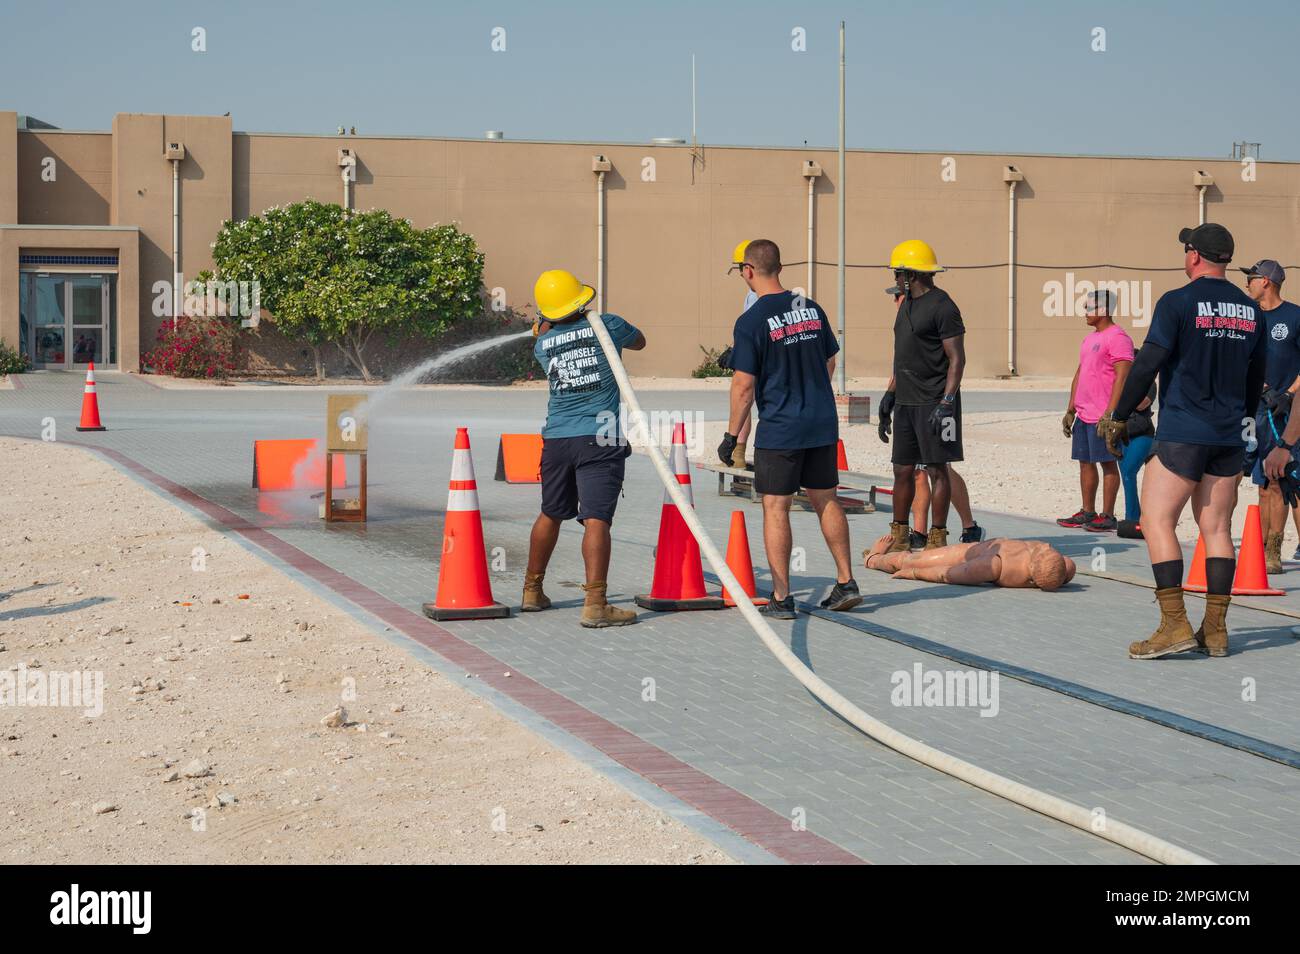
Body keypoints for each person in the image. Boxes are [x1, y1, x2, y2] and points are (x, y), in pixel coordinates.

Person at [1098, 223, 1265, 659]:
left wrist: (1118, 414)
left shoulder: (1177, 302)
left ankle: (1174, 624)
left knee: (1156, 521)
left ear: (1193, 255)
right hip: (1228, 434)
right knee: (1216, 529)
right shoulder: (1252, 311)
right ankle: (1216, 631)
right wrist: (1241, 420)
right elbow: (1255, 378)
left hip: (1183, 432)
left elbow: (1148, 361)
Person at [717, 239, 862, 618]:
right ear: (778, 267)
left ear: (749, 271)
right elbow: (831, 359)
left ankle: (782, 597)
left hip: (781, 428)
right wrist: (811, 389)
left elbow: (743, 386)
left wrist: (731, 437)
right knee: (825, 498)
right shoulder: (811, 309)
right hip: (821, 421)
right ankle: (846, 581)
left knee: (775, 506)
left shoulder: (750, 322)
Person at [522, 269, 647, 628]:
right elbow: (640, 341)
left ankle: (532, 591)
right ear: (580, 299)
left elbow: (552, 338)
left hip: (558, 438)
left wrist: (545, 326)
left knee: (550, 512)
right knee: (596, 518)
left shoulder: (542, 344)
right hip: (600, 436)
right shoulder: (608, 324)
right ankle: (595, 604)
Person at [875, 239, 967, 553]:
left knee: (937, 469)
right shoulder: (907, 305)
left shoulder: (943, 306)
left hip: (935, 403)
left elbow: (957, 359)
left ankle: (937, 536)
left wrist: (947, 402)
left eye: (898, 273)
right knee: (902, 469)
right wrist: (889, 397)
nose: (894, 278)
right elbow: (903, 356)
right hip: (906, 402)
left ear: (911, 274)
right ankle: (899, 536)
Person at [1239, 260, 1300, 573]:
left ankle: (1274, 551)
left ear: (1266, 282)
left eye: (1251, 278)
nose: (1247, 284)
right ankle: (1259, 549)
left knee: (1281, 480)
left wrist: (1288, 393)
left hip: (1285, 412)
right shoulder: (1247, 317)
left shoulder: (1294, 316)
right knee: (1260, 481)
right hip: (1252, 411)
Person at [1059, 289, 1134, 533]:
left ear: (1103, 310)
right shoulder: (1089, 339)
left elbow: (1123, 377)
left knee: (1108, 463)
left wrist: (1111, 413)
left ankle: (1108, 515)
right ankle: (1087, 511)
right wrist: (1071, 409)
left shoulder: (1118, 337)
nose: (1085, 312)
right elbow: (1080, 373)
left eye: (1089, 308)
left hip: (1103, 415)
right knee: (1085, 462)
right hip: (1084, 414)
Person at [863, 534, 1075, 590]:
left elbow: (948, 574)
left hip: (973, 557)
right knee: (914, 559)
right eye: (1043, 549)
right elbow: (1066, 566)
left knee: (908, 560)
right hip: (979, 549)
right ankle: (891, 559)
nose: (1043, 547)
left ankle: (873, 559)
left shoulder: (996, 566)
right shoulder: (1052, 557)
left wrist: (915, 573)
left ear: (1030, 581)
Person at [718, 239, 759, 467]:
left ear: (747, 269)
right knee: (746, 400)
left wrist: (738, 354)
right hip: (754, 356)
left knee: (743, 397)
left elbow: (755, 331)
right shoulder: (751, 294)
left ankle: (739, 452)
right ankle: (739, 455)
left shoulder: (756, 296)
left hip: (759, 360)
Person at [1115, 347, 1158, 539]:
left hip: (1143, 434)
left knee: (1129, 472)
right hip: (1121, 434)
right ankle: (1136, 518)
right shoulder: (1118, 380)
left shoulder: (1149, 383)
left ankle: (1133, 518)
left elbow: (1142, 403)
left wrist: (1121, 398)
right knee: (1125, 475)